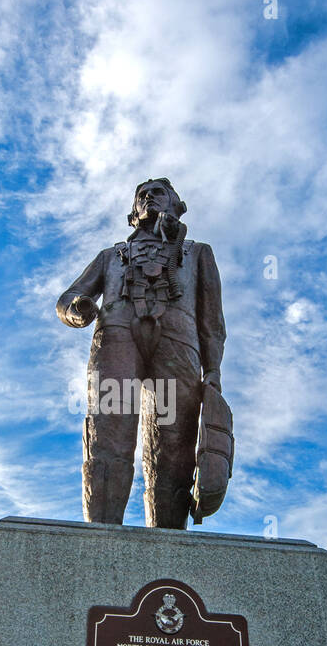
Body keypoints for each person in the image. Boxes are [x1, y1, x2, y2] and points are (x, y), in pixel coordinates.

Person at [57, 178, 226, 529]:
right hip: (116, 339)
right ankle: (100, 539)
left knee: (173, 446)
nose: (149, 197)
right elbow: (67, 299)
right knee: (108, 436)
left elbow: (212, 319)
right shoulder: (110, 256)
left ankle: (167, 545)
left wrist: (213, 370)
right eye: (142, 196)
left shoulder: (197, 253)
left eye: (158, 193)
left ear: (176, 205)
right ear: (133, 212)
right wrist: (78, 309)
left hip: (178, 343)